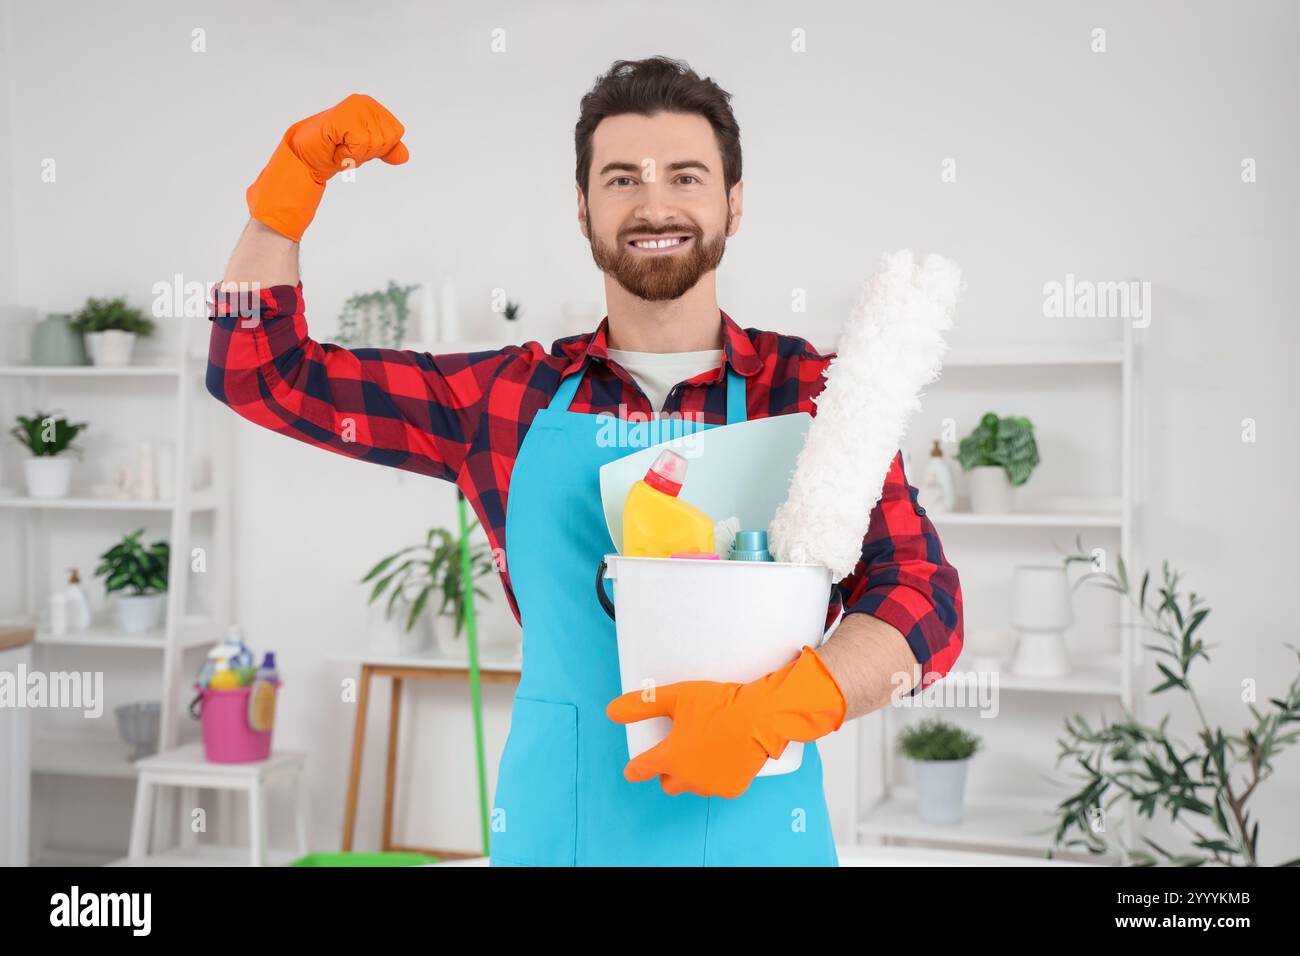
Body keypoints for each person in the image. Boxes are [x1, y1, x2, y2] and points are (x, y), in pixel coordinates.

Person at [207, 55, 963, 866]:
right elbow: (262, 375)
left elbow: (926, 604)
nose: (653, 203)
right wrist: (283, 199)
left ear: (733, 204)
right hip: (557, 835)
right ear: (582, 208)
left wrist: (781, 708)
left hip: (759, 834)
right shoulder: (507, 398)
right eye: (621, 179)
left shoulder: (811, 393)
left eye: (685, 176)